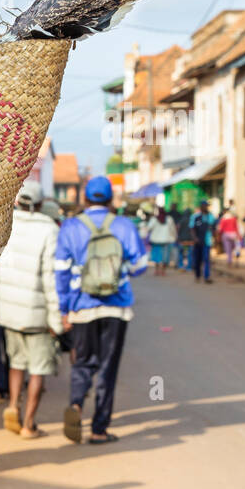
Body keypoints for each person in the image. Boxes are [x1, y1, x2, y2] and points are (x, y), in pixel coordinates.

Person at [54, 176, 148, 445]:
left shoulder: (70, 227)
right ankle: (99, 429)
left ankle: (76, 406)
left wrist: (64, 308)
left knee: (83, 362)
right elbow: (141, 264)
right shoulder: (124, 225)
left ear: (85, 198)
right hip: (116, 307)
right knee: (108, 366)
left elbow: (60, 271)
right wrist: (120, 270)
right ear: (110, 200)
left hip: (82, 307)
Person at [0, 181, 61, 439]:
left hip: (8, 312)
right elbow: (50, 278)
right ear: (42, 205)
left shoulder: (7, 224)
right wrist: (56, 320)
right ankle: (29, 424)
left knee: (16, 364)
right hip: (37, 315)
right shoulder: (49, 230)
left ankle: (12, 406)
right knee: (39, 368)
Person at [189, 200, 215, 283]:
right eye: (204, 206)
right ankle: (197, 276)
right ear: (201, 206)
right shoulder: (195, 216)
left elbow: (212, 227)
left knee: (206, 259)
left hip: (207, 242)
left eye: (206, 206)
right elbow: (192, 228)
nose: (205, 207)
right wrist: (195, 238)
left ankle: (206, 276)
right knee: (198, 259)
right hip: (198, 242)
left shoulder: (210, 216)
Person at [146, 207, 177, 277]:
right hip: (165, 241)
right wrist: (174, 237)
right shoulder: (169, 219)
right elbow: (173, 229)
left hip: (156, 241)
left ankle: (157, 271)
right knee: (165, 257)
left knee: (157, 257)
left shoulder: (154, 219)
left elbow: (149, 228)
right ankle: (163, 271)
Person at [174, 206, 194, 270]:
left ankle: (181, 265)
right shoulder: (191, 220)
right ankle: (189, 266)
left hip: (182, 239)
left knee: (181, 253)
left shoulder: (181, 220)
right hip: (190, 240)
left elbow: (178, 229)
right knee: (190, 254)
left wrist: (178, 236)